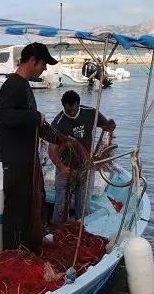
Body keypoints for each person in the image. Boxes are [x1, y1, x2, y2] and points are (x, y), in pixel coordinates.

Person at [0, 42, 69, 253]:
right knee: (15, 208)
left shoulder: (24, 85)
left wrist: (60, 138)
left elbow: (30, 122)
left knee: (26, 205)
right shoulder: (13, 85)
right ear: (32, 60)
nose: (45, 68)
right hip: (15, 158)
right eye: (44, 63)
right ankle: (13, 252)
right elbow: (0, 114)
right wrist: (33, 116)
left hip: (26, 157)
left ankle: (24, 247)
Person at [48, 90, 116, 226]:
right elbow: (52, 150)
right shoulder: (58, 122)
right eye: (69, 110)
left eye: (74, 109)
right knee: (61, 204)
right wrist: (61, 168)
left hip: (86, 165)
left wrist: (110, 125)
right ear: (63, 107)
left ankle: (80, 229)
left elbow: (106, 126)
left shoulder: (90, 112)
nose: (72, 113)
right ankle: (57, 227)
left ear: (78, 104)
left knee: (83, 204)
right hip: (66, 166)